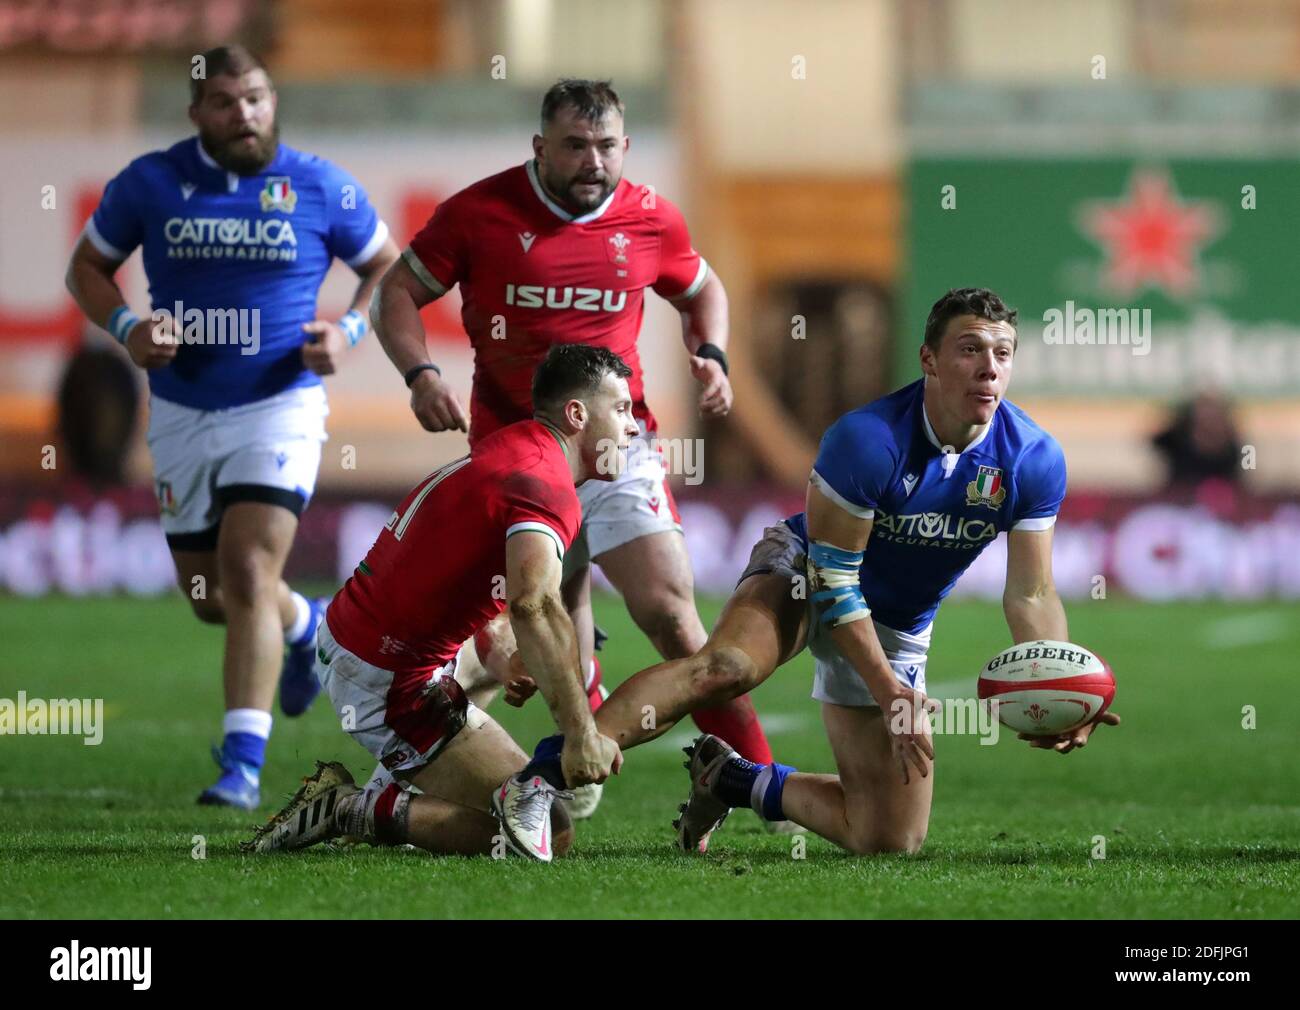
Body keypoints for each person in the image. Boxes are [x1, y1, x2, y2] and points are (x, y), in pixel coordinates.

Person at [508, 288, 1122, 855]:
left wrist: (1057, 683)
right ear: (928, 359)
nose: (990, 367)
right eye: (969, 349)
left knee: (890, 839)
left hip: (899, 622)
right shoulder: (867, 439)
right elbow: (834, 582)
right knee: (726, 667)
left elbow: (1032, 589)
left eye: (1003, 352)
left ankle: (731, 778)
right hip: (804, 574)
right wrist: (889, 693)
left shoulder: (1033, 458)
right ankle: (540, 778)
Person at [369, 78, 777, 821]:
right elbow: (395, 293)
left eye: (607, 145)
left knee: (674, 617)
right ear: (539, 148)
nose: (593, 161)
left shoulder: (650, 218)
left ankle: (756, 783)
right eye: (575, 146)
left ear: (625, 145)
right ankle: (437, 756)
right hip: (518, 458)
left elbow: (703, 288)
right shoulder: (479, 213)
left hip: (621, 445)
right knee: (530, 626)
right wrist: (420, 374)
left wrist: (711, 352)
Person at [64, 45, 400, 809]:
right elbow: (86, 266)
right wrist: (125, 326)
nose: (243, 114)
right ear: (197, 115)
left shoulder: (319, 185)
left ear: (271, 99)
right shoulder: (149, 183)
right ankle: (306, 622)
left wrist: (346, 333)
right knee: (212, 596)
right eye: (224, 102)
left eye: (254, 98)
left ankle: (241, 768)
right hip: (181, 408)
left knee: (247, 568)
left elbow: (388, 267)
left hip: (278, 403)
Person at [244, 345, 632, 862]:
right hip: (386, 678)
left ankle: (403, 767)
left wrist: (495, 654)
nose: (634, 427)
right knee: (550, 832)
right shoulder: (546, 486)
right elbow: (534, 606)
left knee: (516, 655)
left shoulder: (520, 447)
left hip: (362, 635)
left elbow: (478, 579)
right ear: (578, 414)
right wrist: (580, 732)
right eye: (623, 409)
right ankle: (351, 807)